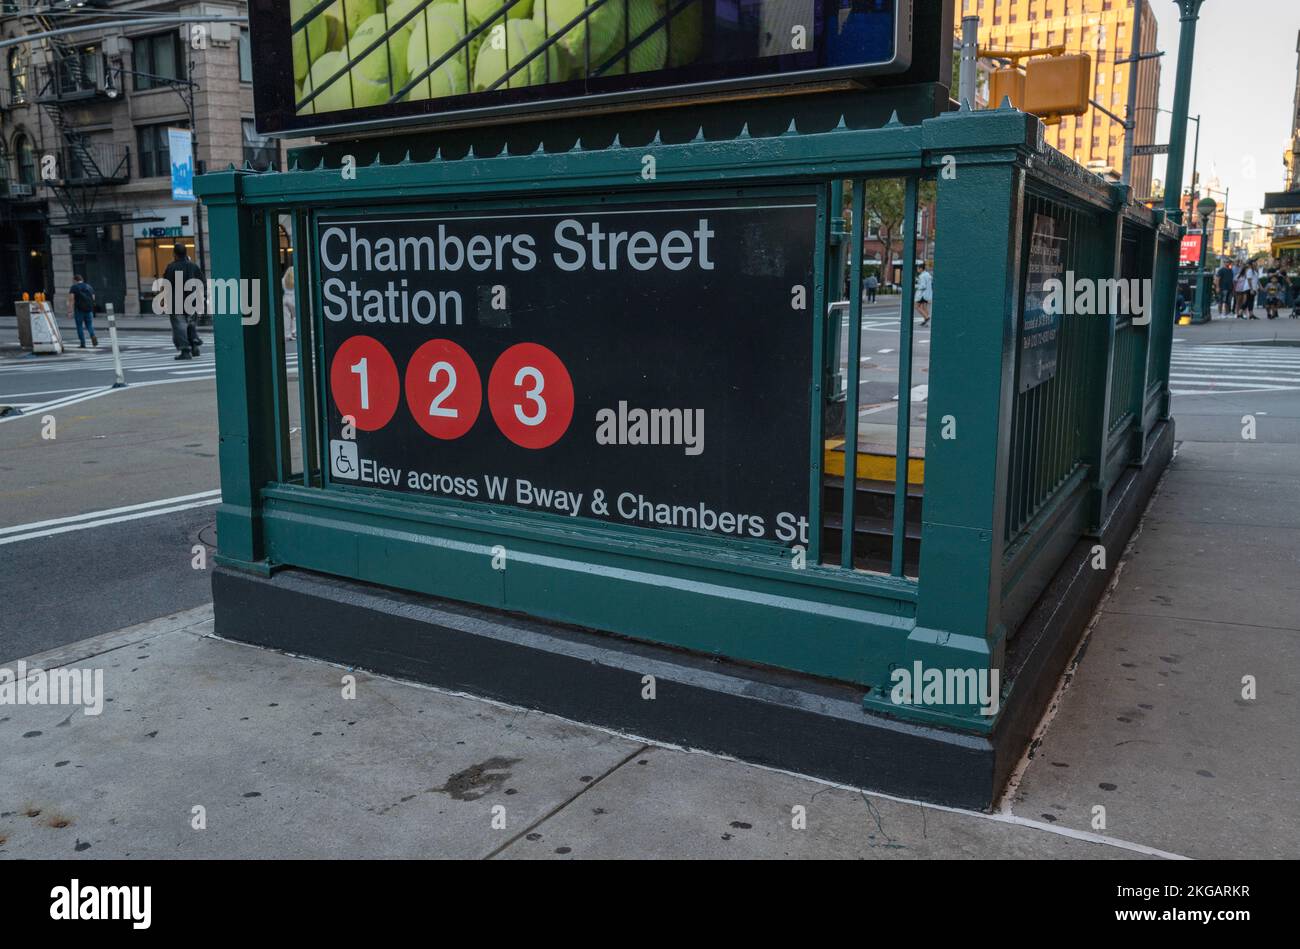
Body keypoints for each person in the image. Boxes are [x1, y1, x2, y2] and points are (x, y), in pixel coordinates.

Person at [163, 244, 204, 360]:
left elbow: (166, 285)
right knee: (190, 324)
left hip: (176, 302)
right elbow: (202, 282)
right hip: (192, 300)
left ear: (174, 254)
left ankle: (185, 350)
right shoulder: (193, 266)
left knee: (179, 326)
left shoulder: (171, 267)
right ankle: (194, 344)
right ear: (186, 253)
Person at [67, 275, 98, 348]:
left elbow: (71, 300)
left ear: (75, 280)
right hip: (88, 310)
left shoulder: (74, 287)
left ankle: (83, 343)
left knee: (79, 326)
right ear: (82, 280)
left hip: (79, 310)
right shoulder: (89, 286)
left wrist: (70, 311)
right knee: (89, 325)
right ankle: (93, 336)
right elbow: (93, 298)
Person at [282, 265, 297, 342]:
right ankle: (294, 331)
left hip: (285, 298)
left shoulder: (284, 280)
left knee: (287, 318)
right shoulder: (295, 280)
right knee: (295, 316)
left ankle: (287, 334)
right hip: (293, 299)